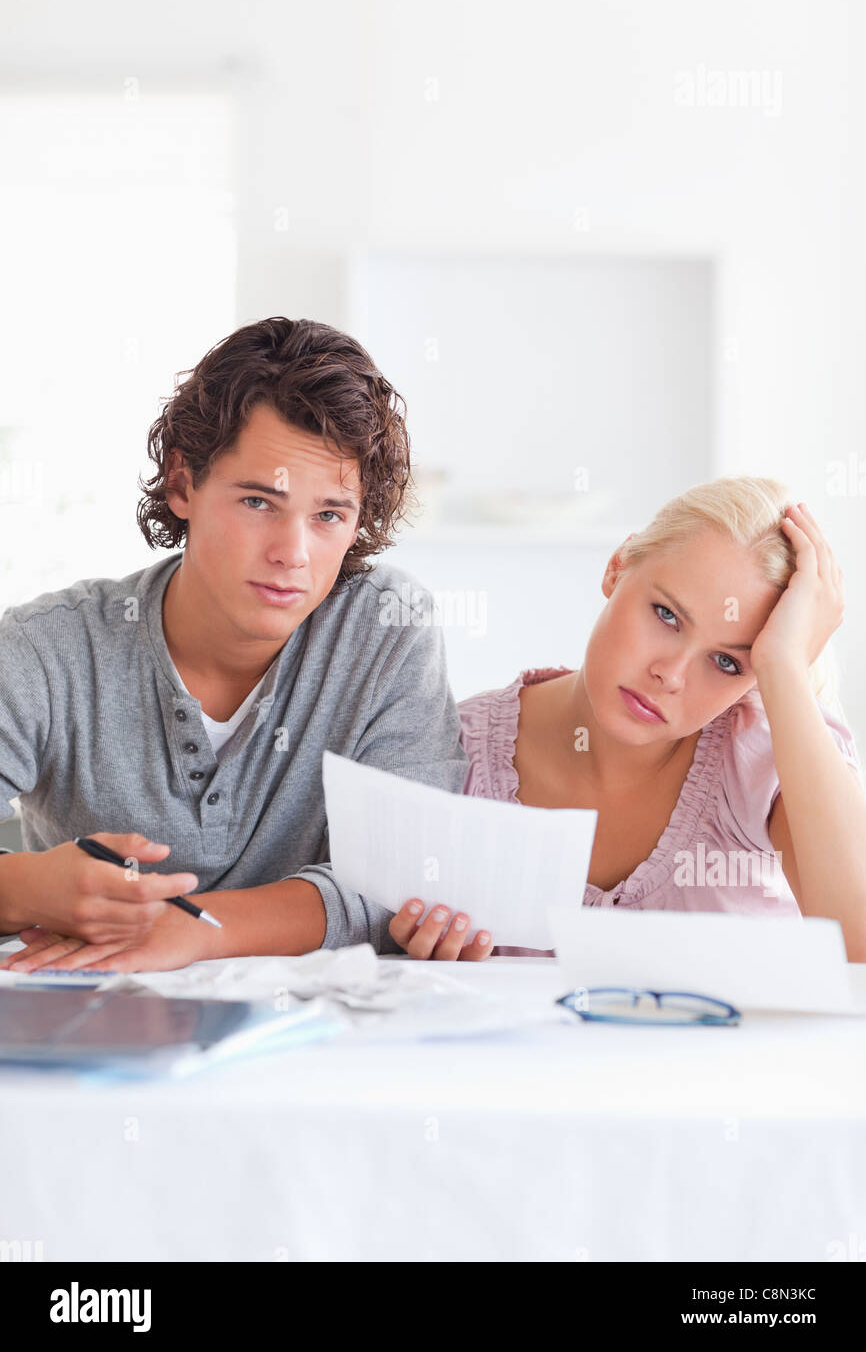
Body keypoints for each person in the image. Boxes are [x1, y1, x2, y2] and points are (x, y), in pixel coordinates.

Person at [0, 316, 490, 974]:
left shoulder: (385, 630)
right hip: (96, 1022)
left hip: (325, 1042)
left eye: (328, 516)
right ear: (183, 484)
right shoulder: (50, 650)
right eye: (260, 502)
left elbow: (408, 875)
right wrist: (20, 892)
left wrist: (201, 932)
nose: (293, 554)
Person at [440, 477, 866, 961]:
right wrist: (415, 954)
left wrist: (785, 667)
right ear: (617, 568)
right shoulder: (453, 749)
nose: (671, 675)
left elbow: (860, 949)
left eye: (727, 662)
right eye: (666, 615)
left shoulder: (767, 760)